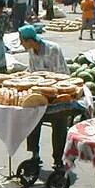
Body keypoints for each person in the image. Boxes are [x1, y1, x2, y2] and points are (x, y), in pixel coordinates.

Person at [19, 25, 70, 171]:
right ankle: (34, 154)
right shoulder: (31, 51)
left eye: (22, 41)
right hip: (39, 95)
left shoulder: (53, 49)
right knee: (32, 121)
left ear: (30, 40)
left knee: (59, 124)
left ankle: (58, 159)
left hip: (57, 94)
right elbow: (32, 71)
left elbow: (62, 74)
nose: (21, 44)